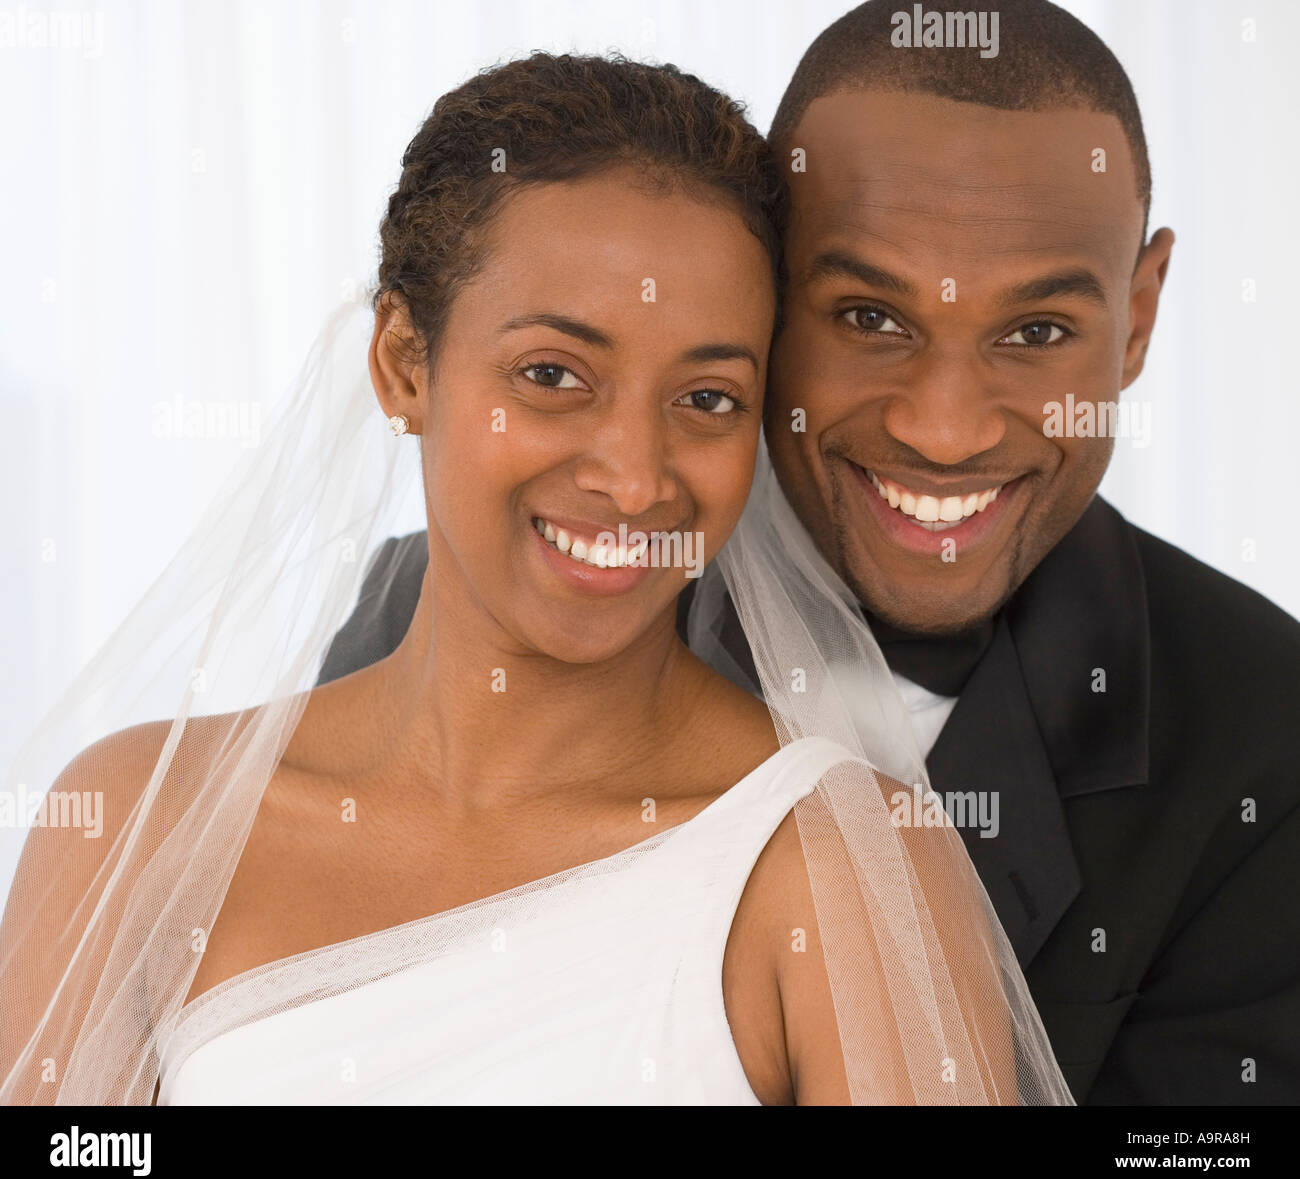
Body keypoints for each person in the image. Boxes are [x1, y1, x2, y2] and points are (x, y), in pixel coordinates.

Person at [0, 52, 1068, 1106]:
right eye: (553, 376)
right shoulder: (136, 828)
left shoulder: (841, 868)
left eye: (706, 398)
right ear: (403, 362)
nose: (634, 478)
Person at [322, 2, 1300, 1105]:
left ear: (1139, 314)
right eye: (869, 317)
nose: (944, 430)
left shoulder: (1266, 731)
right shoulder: (458, 603)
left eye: (1035, 333)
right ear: (766, 296)